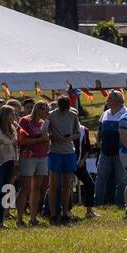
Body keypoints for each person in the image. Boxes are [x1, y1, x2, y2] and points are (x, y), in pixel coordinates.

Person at [44, 96, 79, 225]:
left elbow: (77, 133)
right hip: (55, 152)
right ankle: (53, 213)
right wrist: (55, 136)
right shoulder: (50, 115)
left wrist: (70, 138)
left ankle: (65, 212)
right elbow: (46, 132)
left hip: (69, 152)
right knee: (53, 185)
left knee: (67, 185)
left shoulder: (73, 114)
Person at [16, 101, 50, 227]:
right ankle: (19, 219)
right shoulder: (24, 121)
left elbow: (46, 140)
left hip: (42, 157)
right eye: (45, 111)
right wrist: (40, 139)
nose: (47, 113)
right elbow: (22, 140)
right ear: (38, 110)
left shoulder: (44, 123)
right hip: (28, 158)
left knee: (37, 188)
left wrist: (46, 140)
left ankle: (33, 218)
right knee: (25, 188)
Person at [94, 91, 127, 207]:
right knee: (100, 178)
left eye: (109, 99)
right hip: (105, 152)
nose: (107, 101)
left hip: (121, 152)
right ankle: (97, 204)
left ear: (117, 101)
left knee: (122, 180)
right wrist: (98, 142)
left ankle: (121, 204)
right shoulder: (105, 113)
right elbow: (100, 129)